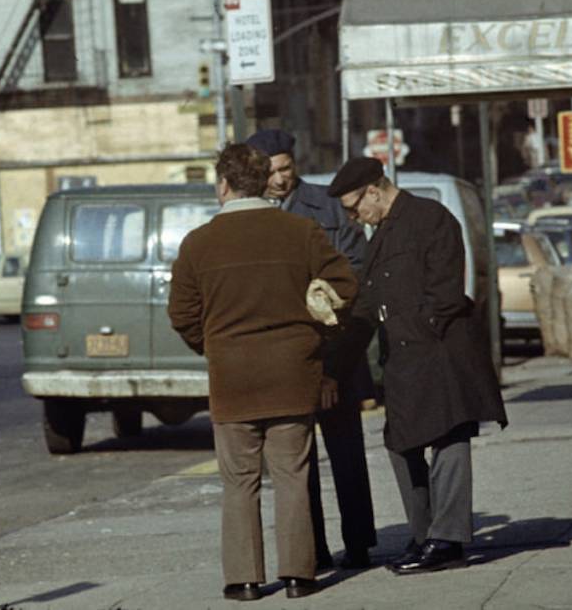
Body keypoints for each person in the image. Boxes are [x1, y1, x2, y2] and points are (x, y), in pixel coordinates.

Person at [167, 144, 358, 602]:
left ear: (224, 185)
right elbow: (344, 288)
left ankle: (244, 580)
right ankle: (299, 575)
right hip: (293, 373)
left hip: (232, 377)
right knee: (293, 473)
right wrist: (316, 338)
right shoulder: (301, 231)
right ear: (263, 182)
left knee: (239, 480)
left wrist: (213, 346)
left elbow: (182, 314)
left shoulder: (198, 243)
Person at [326, 158, 508, 575]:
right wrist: (335, 363)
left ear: (374, 190)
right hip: (406, 362)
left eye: (354, 207)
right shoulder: (380, 236)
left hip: (440, 353)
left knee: (449, 441)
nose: (354, 218)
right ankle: (427, 535)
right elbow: (366, 309)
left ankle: (447, 540)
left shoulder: (431, 218)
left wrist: (413, 326)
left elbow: (446, 294)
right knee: (400, 444)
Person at [245, 129, 377, 571]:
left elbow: (353, 280)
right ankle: (313, 549)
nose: (280, 179)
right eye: (270, 171)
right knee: (297, 462)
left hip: (334, 346)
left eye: (286, 168)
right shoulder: (250, 215)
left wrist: (334, 361)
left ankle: (358, 543)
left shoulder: (327, 207)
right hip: (286, 355)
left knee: (346, 454)